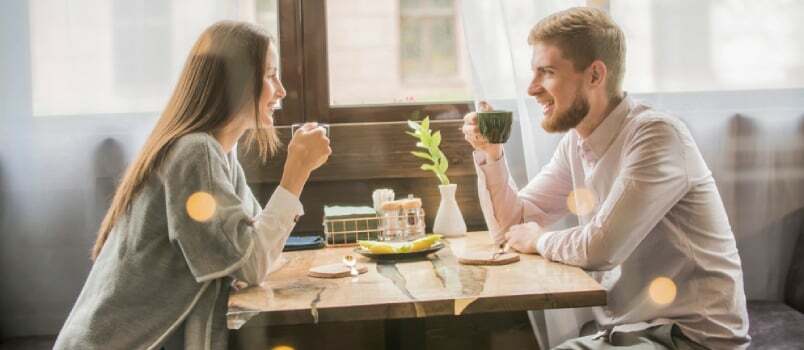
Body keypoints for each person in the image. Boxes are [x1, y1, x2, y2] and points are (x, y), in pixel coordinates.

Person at [462, 7, 749, 350]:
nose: (531, 88)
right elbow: (511, 226)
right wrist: (491, 155)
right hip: (629, 334)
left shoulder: (656, 135)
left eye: (547, 72)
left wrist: (539, 240)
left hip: (689, 338)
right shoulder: (577, 141)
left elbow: (603, 247)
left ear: (595, 75)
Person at [54, 21, 331, 349]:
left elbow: (251, 249)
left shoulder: (221, 154)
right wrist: (295, 173)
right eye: (271, 75)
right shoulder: (195, 152)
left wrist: (242, 261)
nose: (281, 90)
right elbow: (252, 263)